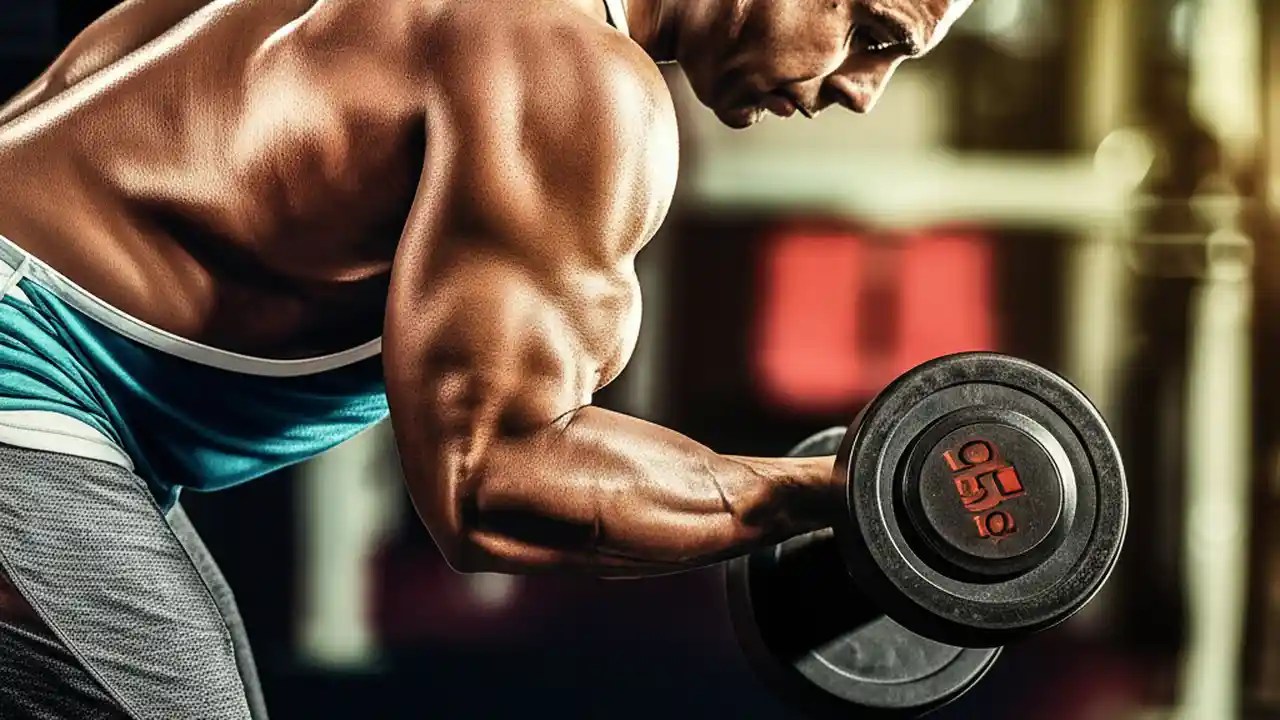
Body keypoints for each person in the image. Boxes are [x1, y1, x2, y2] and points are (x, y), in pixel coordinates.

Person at [0, 0, 972, 717]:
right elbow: (493, 482)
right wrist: (834, 497)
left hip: (80, 413)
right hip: (28, 388)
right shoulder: (567, 72)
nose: (861, 89)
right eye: (872, 32)